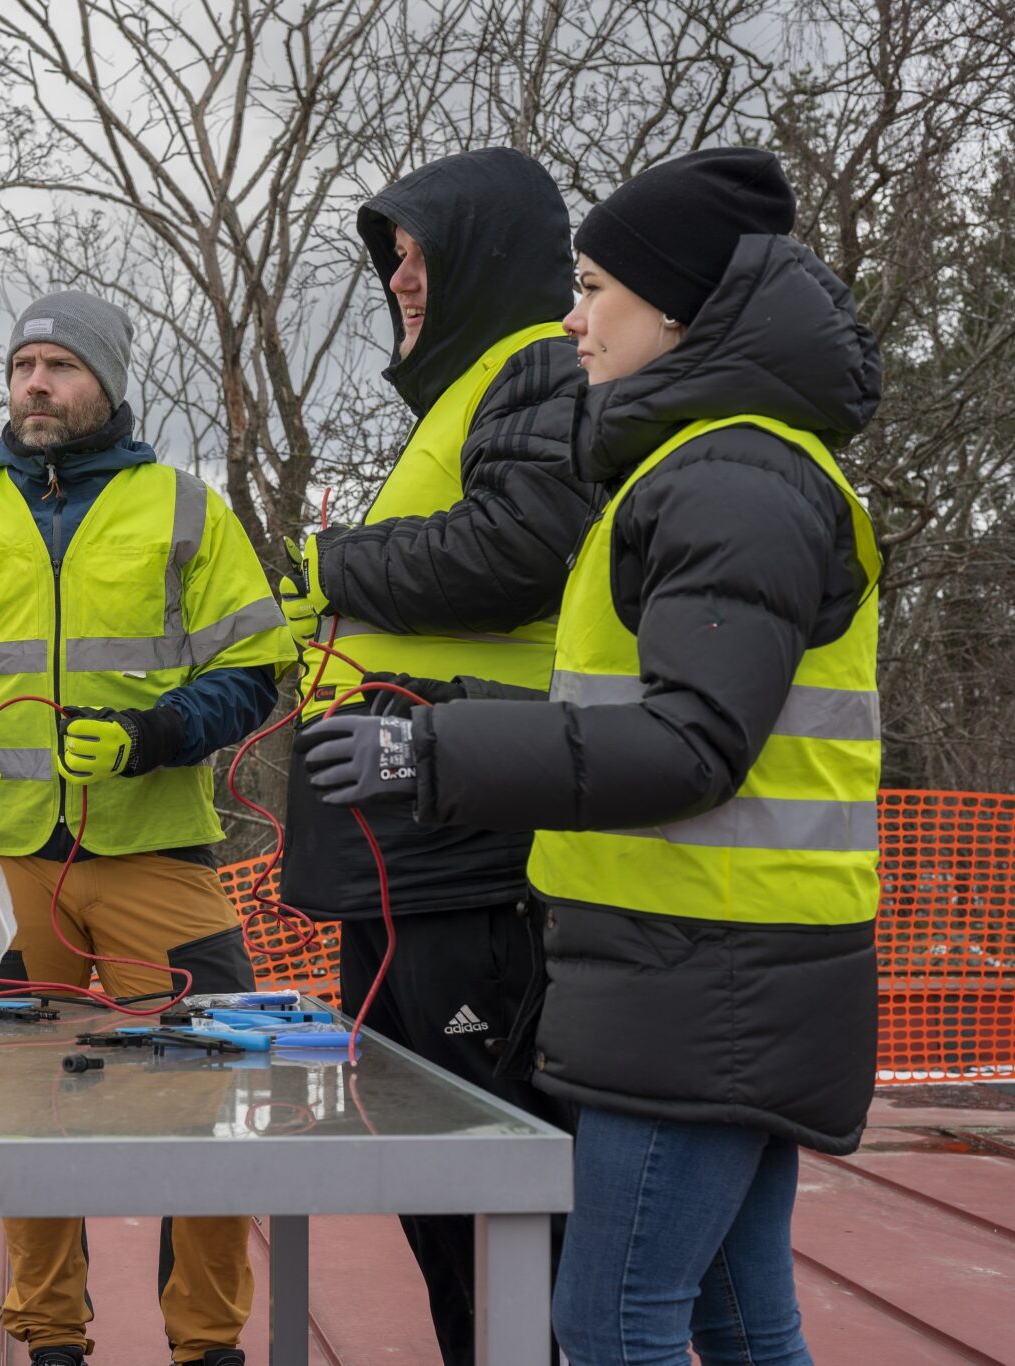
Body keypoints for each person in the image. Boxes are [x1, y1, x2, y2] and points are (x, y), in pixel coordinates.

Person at [297, 147, 882, 1366]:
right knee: (730, 1317)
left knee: (606, 1321)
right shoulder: (706, 462)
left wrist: (431, 747)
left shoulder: (731, 474)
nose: (570, 318)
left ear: (681, 306)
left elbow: (692, 742)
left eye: (596, 287)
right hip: (706, 961)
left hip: (700, 973)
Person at [0, 290, 295, 1366]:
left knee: (214, 1089)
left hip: (152, 851)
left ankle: (207, 1344)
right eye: (22, 367)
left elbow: (253, 669)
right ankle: (47, 1338)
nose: (36, 385)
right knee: (20, 1108)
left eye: (58, 365)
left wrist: (154, 732)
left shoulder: (186, 508)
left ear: (104, 381)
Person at [272, 146, 589, 1364]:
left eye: (416, 254)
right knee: (432, 1182)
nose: (400, 280)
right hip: (408, 858)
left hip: (470, 852)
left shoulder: (535, 363)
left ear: (483, 252)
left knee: (491, 1180)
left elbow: (523, 547)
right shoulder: (475, 395)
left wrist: (333, 565)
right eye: (390, 260)